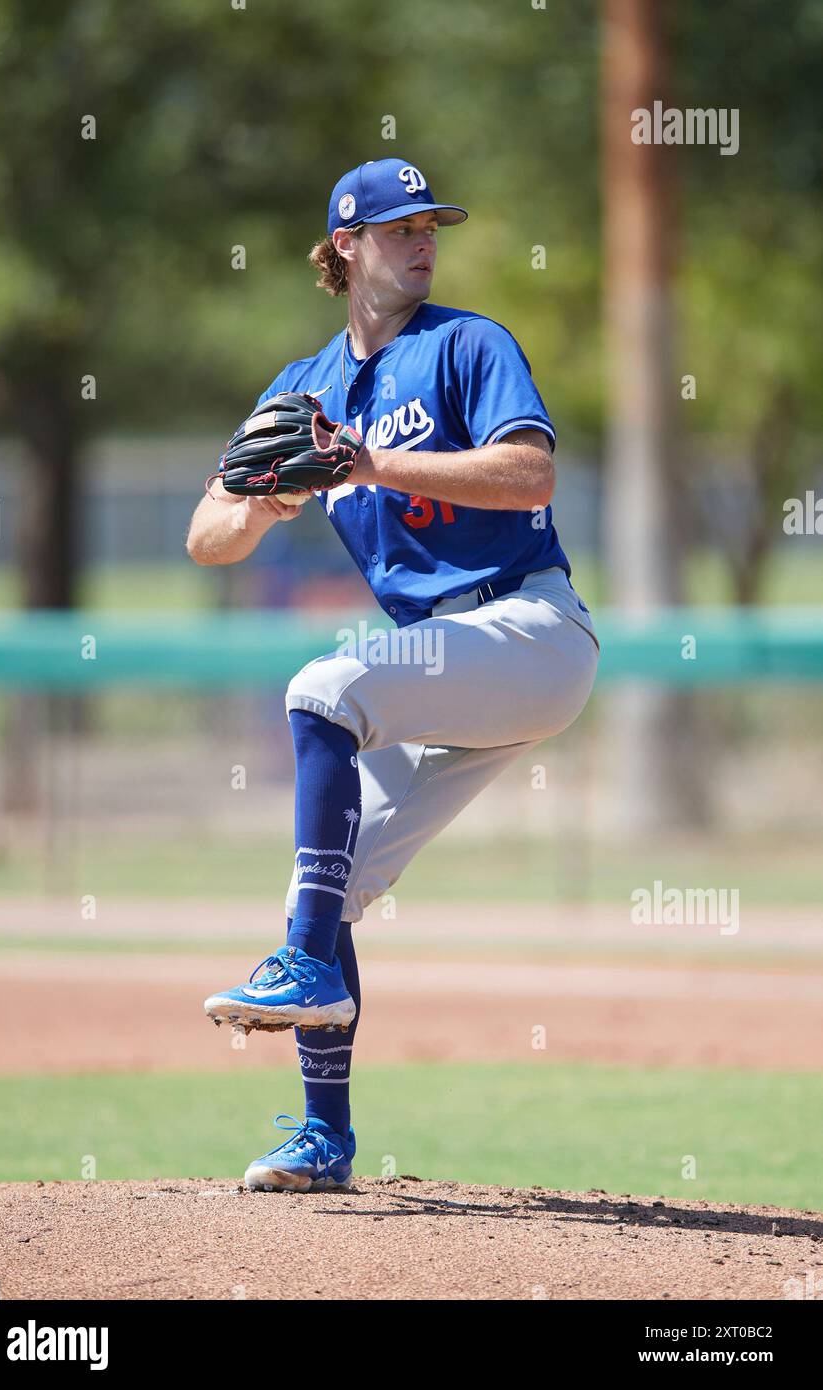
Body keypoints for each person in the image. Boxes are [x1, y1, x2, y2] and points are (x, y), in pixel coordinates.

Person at [186, 158, 600, 1192]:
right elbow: (207, 536)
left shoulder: (467, 344)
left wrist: (366, 464)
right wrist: (267, 500)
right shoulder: (302, 388)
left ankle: (309, 972)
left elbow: (530, 473)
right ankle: (324, 1139)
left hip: (526, 631)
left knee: (325, 688)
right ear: (344, 247)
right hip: (438, 668)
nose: (422, 240)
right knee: (322, 895)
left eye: (431, 225)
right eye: (398, 227)